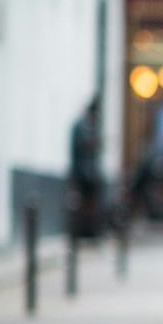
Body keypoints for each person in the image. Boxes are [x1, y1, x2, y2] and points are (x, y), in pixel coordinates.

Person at [68, 97, 103, 240]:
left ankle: (88, 231)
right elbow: (83, 146)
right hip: (83, 172)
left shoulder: (88, 126)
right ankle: (81, 231)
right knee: (82, 202)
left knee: (89, 202)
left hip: (88, 172)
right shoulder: (82, 126)